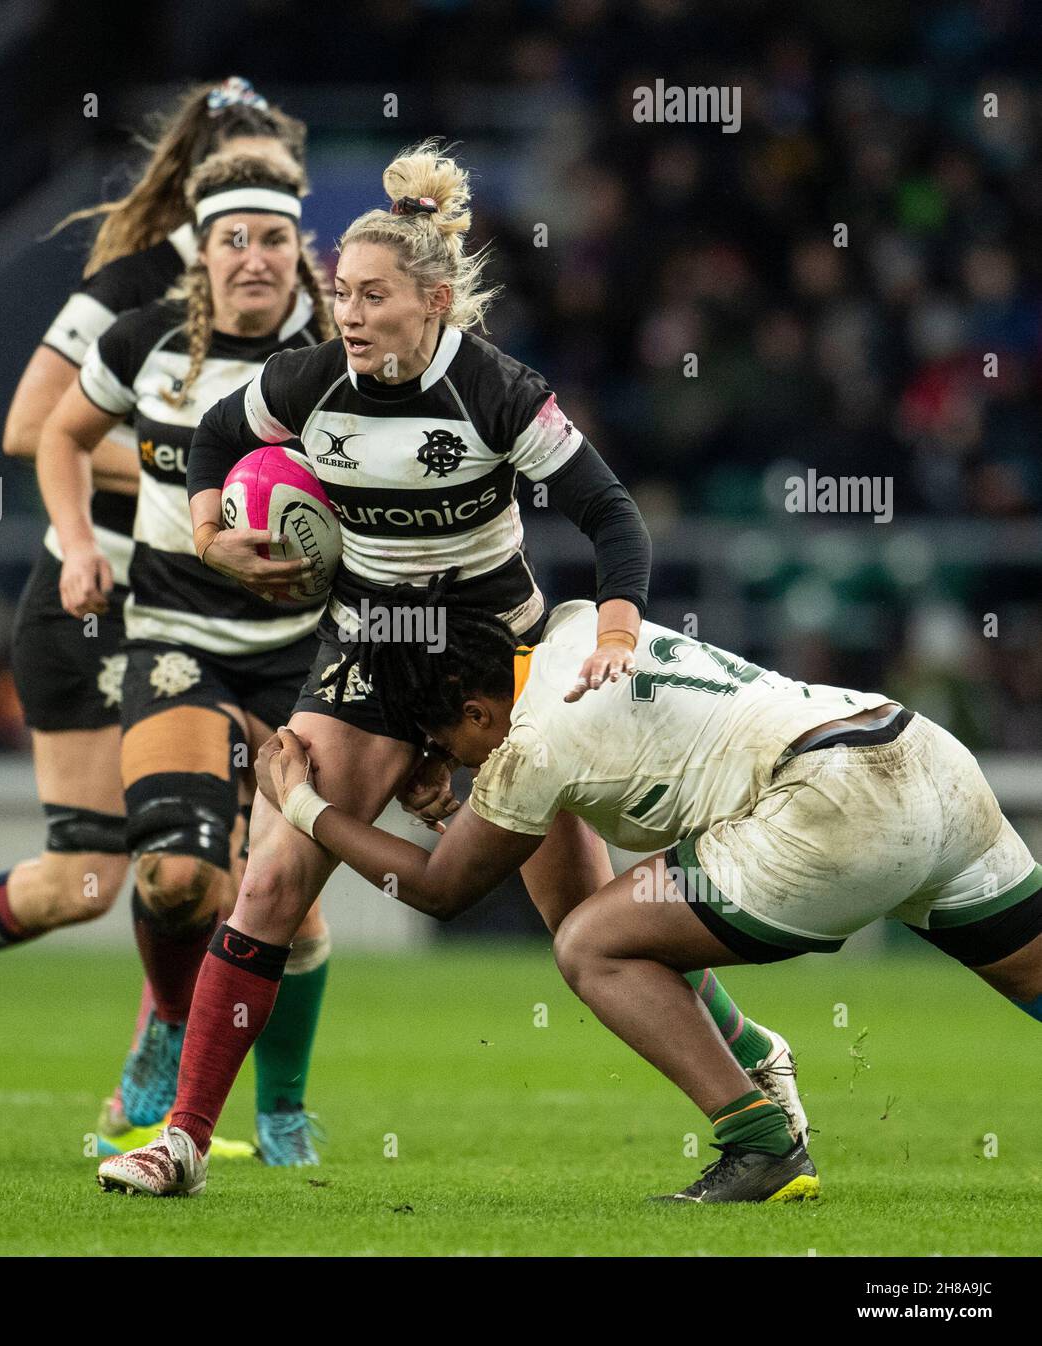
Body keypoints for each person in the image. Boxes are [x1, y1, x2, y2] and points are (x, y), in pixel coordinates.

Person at [96, 142, 802, 1198]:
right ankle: (181, 1139)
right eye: (340, 293)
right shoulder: (308, 380)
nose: (348, 312)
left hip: (497, 662)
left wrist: (611, 634)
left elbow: (612, 516)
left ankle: (753, 1059)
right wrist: (208, 533)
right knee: (276, 874)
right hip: (369, 655)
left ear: (433, 302)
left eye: (372, 296)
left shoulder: (496, 388)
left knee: (583, 920)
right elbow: (208, 437)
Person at [0, 80, 305, 1161]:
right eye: (241, 179)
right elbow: (32, 426)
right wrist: (212, 471)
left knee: (203, 867)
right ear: (197, 183)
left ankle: (168, 1102)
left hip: (218, 619)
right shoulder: (135, 290)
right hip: (98, 601)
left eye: (280, 188)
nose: (260, 207)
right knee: (84, 881)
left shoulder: (308, 303)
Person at [256, 592, 1042, 1202]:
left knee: (593, 942)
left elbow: (438, 887)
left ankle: (760, 1142)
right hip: (919, 751)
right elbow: (512, 758)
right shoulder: (576, 629)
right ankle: (755, 1062)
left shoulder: (532, 743)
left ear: (473, 709)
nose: (457, 764)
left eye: (448, 744)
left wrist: (304, 809)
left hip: (827, 808)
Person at [37, 148, 337, 1165]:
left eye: (274, 238)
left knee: (286, 905)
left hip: (306, 653)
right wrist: (80, 544)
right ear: (201, 254)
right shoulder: (144, 340)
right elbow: (58, 436)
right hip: (172, 635)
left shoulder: (346, 351)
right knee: (173, 880)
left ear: (303, 251)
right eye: (232, 239)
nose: (254, 257)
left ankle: (282, 1108)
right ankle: (167, 1023)